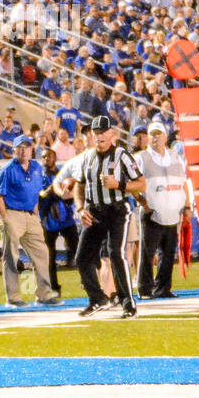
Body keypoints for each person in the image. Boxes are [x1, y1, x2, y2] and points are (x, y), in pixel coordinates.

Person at [75, 116, 145, 318]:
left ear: (112, 134)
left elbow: (141, 183)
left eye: (103, 132)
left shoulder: (122, 155)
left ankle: (128, 304)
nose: (99, 136)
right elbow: (80, 186)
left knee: (116, 254)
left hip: (116, 210)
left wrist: (119, 185)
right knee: (82, 257)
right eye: (95, 133)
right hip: (94, 211)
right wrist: (81, 209)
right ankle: (97, 299)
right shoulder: (87, 157)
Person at [0, 135, 60, 307]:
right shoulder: (7, 170)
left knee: (42, 253)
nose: (23, 150)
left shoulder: (37, 167)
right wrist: (5, 218)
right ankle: (13, 298)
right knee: (11, 255)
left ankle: (44, 295)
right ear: (14, 150)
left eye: (27, 147)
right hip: (11, 213)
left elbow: (36, 193)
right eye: (20, 147)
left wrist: (35, 214)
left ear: (31, 149)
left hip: (30, 215)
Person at [137, 122, 191, 298]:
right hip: (151, 213)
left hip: (172, 213)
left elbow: (183, 183)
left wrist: (187, 206)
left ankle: (163, 288)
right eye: (152, 134)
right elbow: (134, 185)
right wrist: (143, 204)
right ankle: (145, 289)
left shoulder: (176, 156)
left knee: (167, 254)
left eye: (159, 133)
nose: (155, 137)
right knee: (147, 252)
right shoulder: (141, 158)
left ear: (166, 137)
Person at [37, 149, 78, 296]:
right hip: (48, 221)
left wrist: (61, 193)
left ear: (55, 157)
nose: (47, 159)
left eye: (49, 156)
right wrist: (51, 192)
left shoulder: (63, 175)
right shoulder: (39, 177)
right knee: (49, 256)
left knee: (79, 251)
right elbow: (40, 198)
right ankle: (54, 288)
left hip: (66, 218)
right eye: (44, 157)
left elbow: (71, 196)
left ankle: (87, 281)